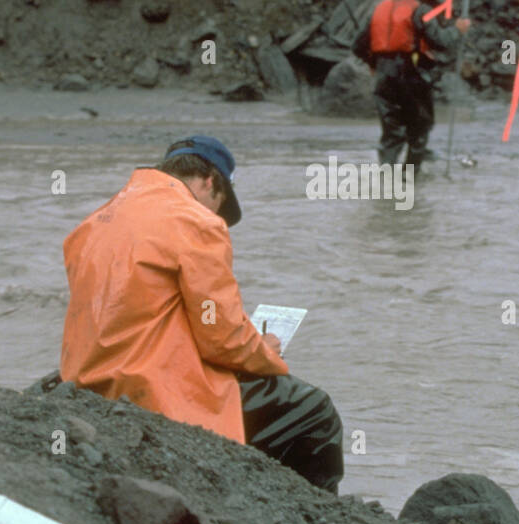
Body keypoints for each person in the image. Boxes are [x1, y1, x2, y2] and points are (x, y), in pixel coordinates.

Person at [59, 136, 344, 492]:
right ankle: (312, 512)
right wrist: (266, 349)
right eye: (219, 205)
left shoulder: (95, 222)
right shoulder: (194, 221)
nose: (216, 216)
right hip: (151, 393)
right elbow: (220, 337)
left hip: (88, 381)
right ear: (211, 181)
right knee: (314, 409)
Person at [353, 0, 471, 175]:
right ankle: (410, 179)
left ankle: (386, 181)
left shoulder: (378, 9)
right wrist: (458, 29)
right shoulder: (420, 10)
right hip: (410, 75)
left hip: (383, 76)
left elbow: (358, 45)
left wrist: (373, 64)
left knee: (391, 132)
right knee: (419, 128)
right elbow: (441, 40)